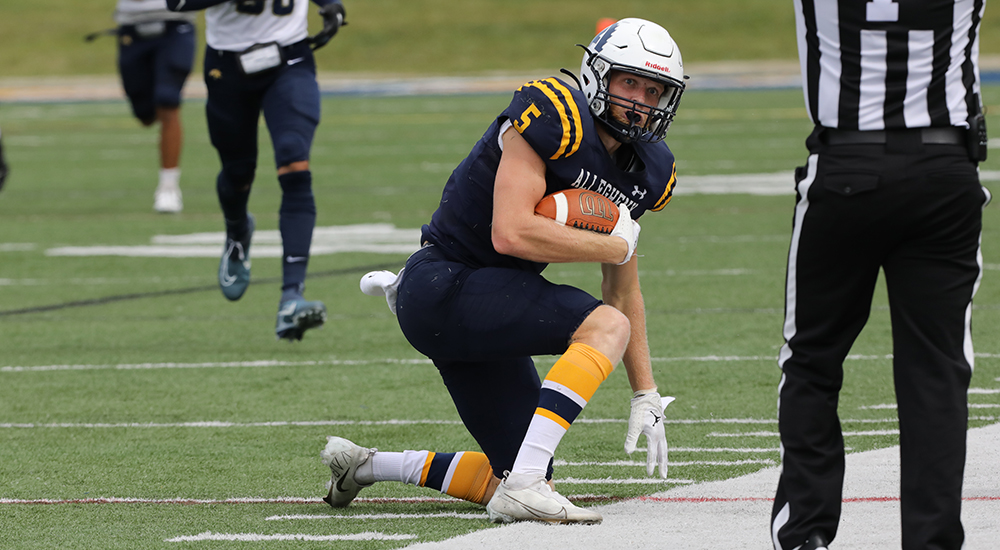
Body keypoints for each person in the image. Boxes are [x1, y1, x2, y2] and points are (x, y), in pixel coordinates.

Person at [321, 18, 686, 524]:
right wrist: (617, 244)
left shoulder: (646, 171)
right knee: (604, 327)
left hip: (491, 300)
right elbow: (510, 234)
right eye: (630, 83)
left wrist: (645, 392)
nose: (641, 101)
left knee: (513, 472)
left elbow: (622, 290)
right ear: (598, 76)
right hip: (444, 283)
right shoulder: (554, 116)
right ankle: (526, 485)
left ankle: (363, 466)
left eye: (654, 91)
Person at [772, 1, 991, 549]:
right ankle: (932, 542)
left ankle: (805, 534)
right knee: (937, 370)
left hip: (847, 166)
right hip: (945, 170)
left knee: (811, 359)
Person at [166, 0, 346, 341]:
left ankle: (292, 296)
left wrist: (329, 4)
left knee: (294, 161)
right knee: (238, 172)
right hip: (227, 66)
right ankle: (237, 230)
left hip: (289, 57)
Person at [114, 0, 197, 213]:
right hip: (131, 26)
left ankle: (168, 188)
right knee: (145, 115)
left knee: (167, 102)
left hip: (175, 24)